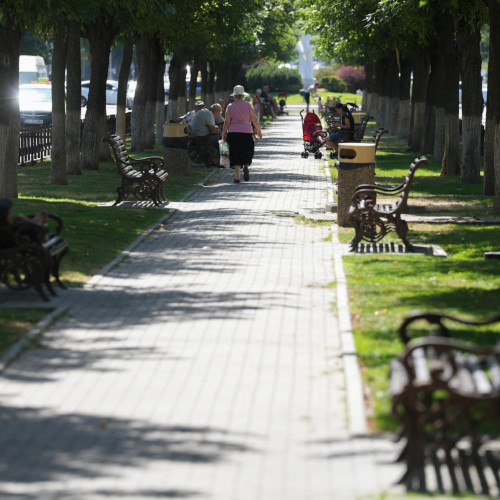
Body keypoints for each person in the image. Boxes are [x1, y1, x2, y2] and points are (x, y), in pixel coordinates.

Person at [222, 84, 262, 183]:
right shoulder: (248, 105)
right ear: (243, 95)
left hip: (233, 133)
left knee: (235, 154)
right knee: (247, 151)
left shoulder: (230, 106)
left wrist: (224, 133)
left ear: (234, 96)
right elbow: (254, 119)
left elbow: (227, 122)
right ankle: (246, 166)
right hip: (247, 132)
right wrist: (259, 131)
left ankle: (238, 177)